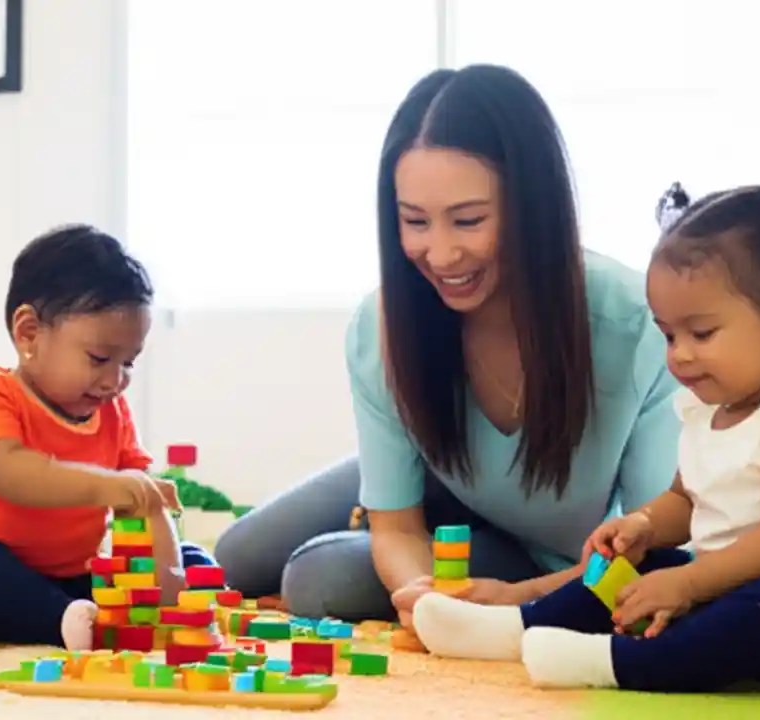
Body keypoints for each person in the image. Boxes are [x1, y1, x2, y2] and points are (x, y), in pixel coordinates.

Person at [410, 162, 760, 695]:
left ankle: (616, 662)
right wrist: (642, 525)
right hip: (729, 592)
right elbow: (686, 500)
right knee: (645, 566)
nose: (680, 356)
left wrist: (690, 582)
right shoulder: (705, 411)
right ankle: (518, 625)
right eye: (668, 335)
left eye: (702, 333)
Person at [215, 64, 681, 622]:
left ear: (532, 209)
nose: (439, 255)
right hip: (438, 476)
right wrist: (420, 593)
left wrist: (519, 598)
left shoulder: (639, 325)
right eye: (415, 221)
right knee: (236, 555)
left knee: (320, 582)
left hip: (542, 556)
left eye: (467, 221)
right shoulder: (385, 322)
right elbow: (397, 528)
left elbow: (660, 551)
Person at [0, 225, 216, 650]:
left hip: (84, 575)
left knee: (197, 559)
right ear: (28, 333)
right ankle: (60, 623)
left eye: (129, 362)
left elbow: (140, 506)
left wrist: (168, 580)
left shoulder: (113, 411)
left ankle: (96, 617)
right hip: (5, 572)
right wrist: (110, 486)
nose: (115, 380)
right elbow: (6, 472)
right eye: (99, 358)